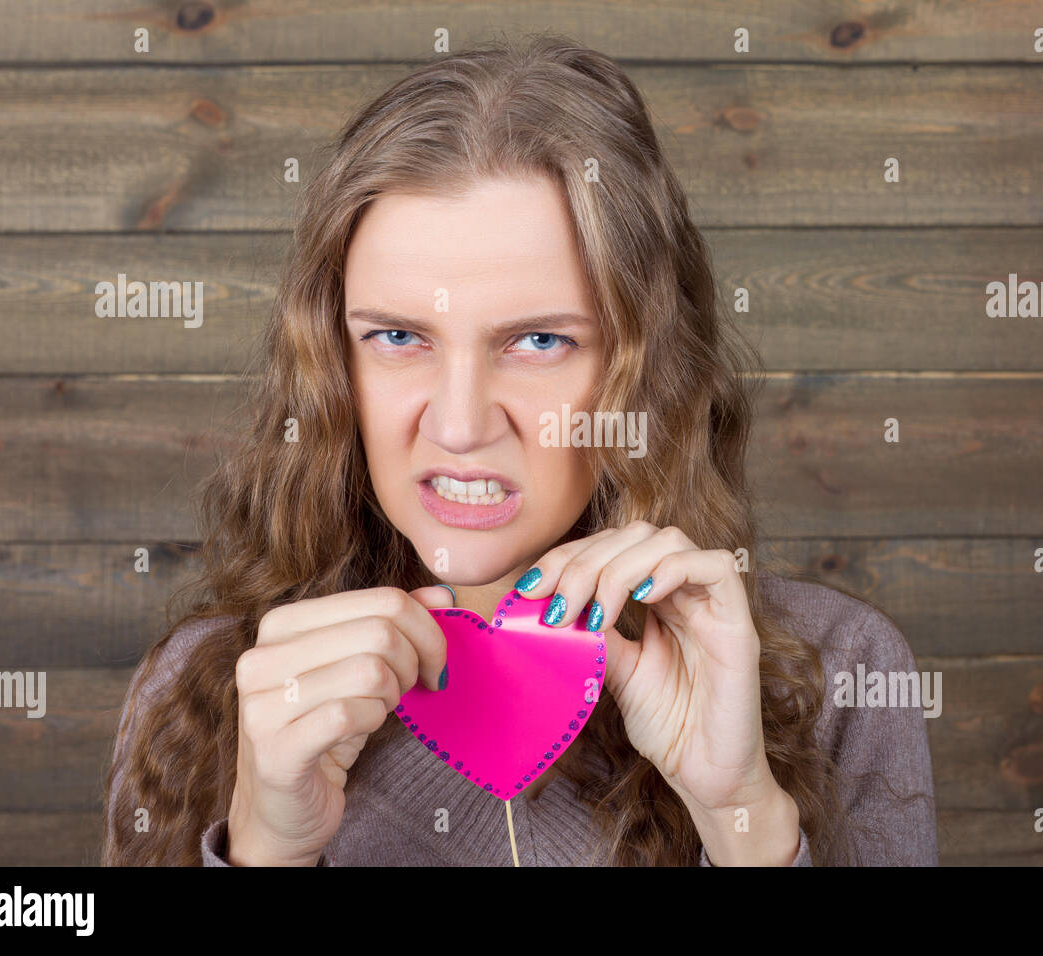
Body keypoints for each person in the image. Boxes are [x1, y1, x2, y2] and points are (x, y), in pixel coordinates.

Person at [103, 34, 937, 867]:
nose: (461, 426)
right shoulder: (212, 687)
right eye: (397, 336)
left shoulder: (840, 673)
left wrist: (741, 814)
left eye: (538, 340)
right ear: (333, 363)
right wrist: (262, 852)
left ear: (642, 370)